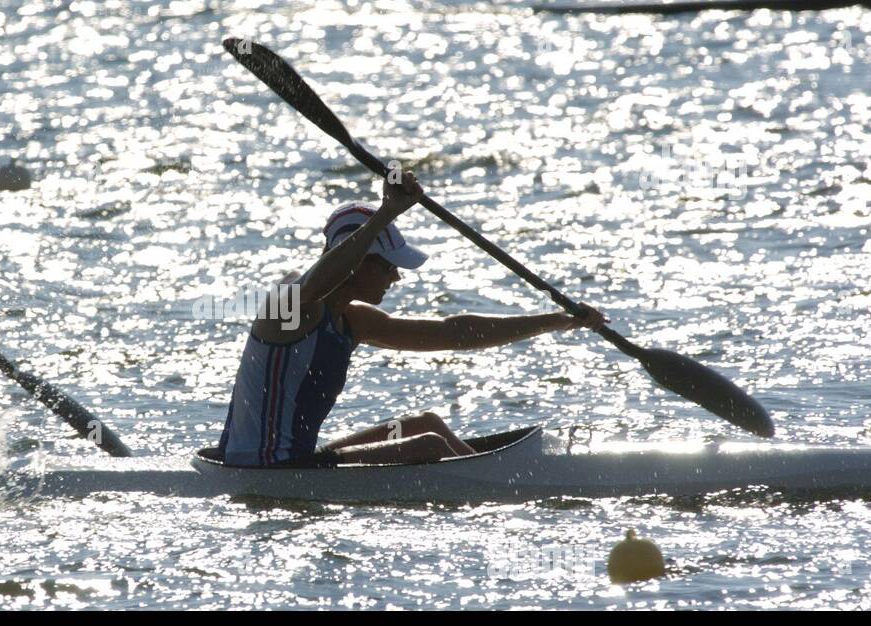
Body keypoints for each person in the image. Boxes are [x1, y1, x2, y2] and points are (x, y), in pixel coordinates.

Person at [217, 171, 607, 466]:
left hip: (300, 458)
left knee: (427, 425)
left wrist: (557, 320)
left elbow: (454, 333)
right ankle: (501, 491)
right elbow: (316, 282)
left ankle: (496, 480)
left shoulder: (353, 321)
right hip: (266, 466)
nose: (396, 277)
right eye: (388, 267)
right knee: (430, 448)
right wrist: (386, 211)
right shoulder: (287, 310)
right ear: (358, 263)